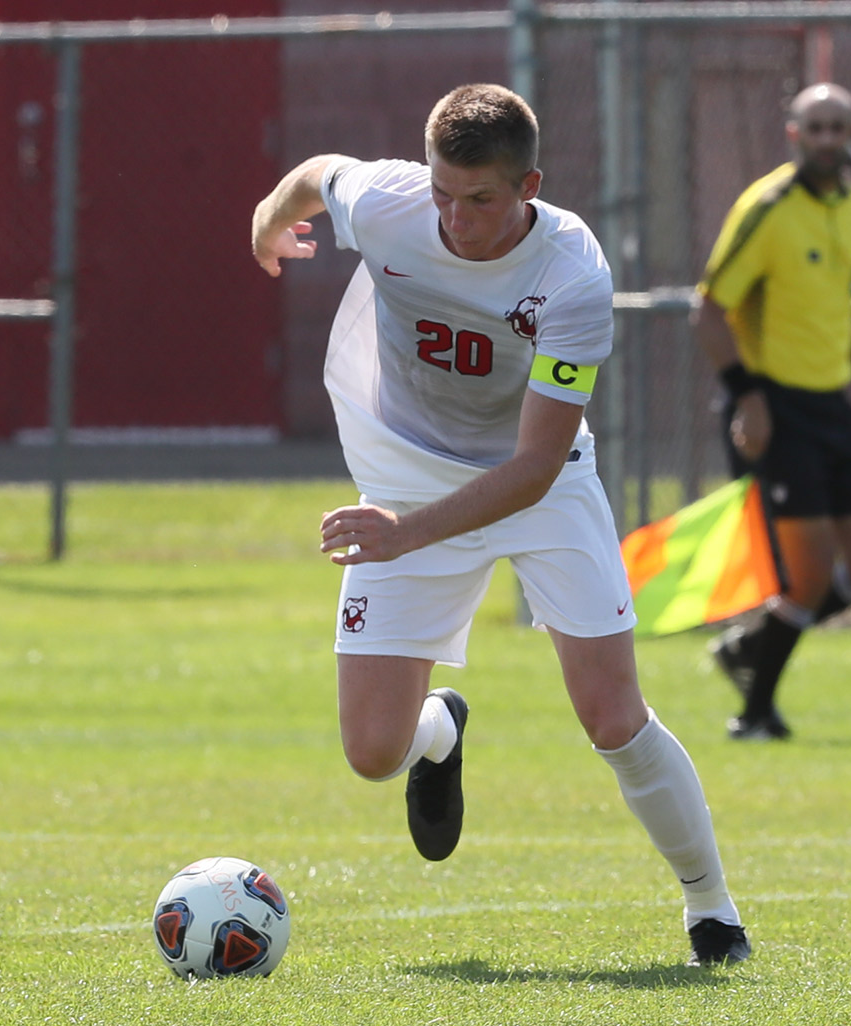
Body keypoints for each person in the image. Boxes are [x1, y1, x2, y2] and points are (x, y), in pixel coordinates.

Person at [251, 84, 750, 965]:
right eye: (444, 192)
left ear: (529, 186)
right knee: (373, 753)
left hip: (539, 481)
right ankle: (439, 729)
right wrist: (267, 217)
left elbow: (533, 467)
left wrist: (405, 534)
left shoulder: (572, 276)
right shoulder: (393, 204)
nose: (456, 218)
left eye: (480, 200)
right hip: (406, 468)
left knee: (612, 717)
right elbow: (318, 176)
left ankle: (712, 909)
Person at [693, 83, 851, 741]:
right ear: (795, 135)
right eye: (816, 127)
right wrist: (748, 397)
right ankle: (755, 713)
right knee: (806, 577)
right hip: (778, 407)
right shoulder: (767, 207)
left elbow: (834, 301)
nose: (828, 139)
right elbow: (711, 307)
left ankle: (749, 647)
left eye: (838, 127)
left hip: (833, 401)